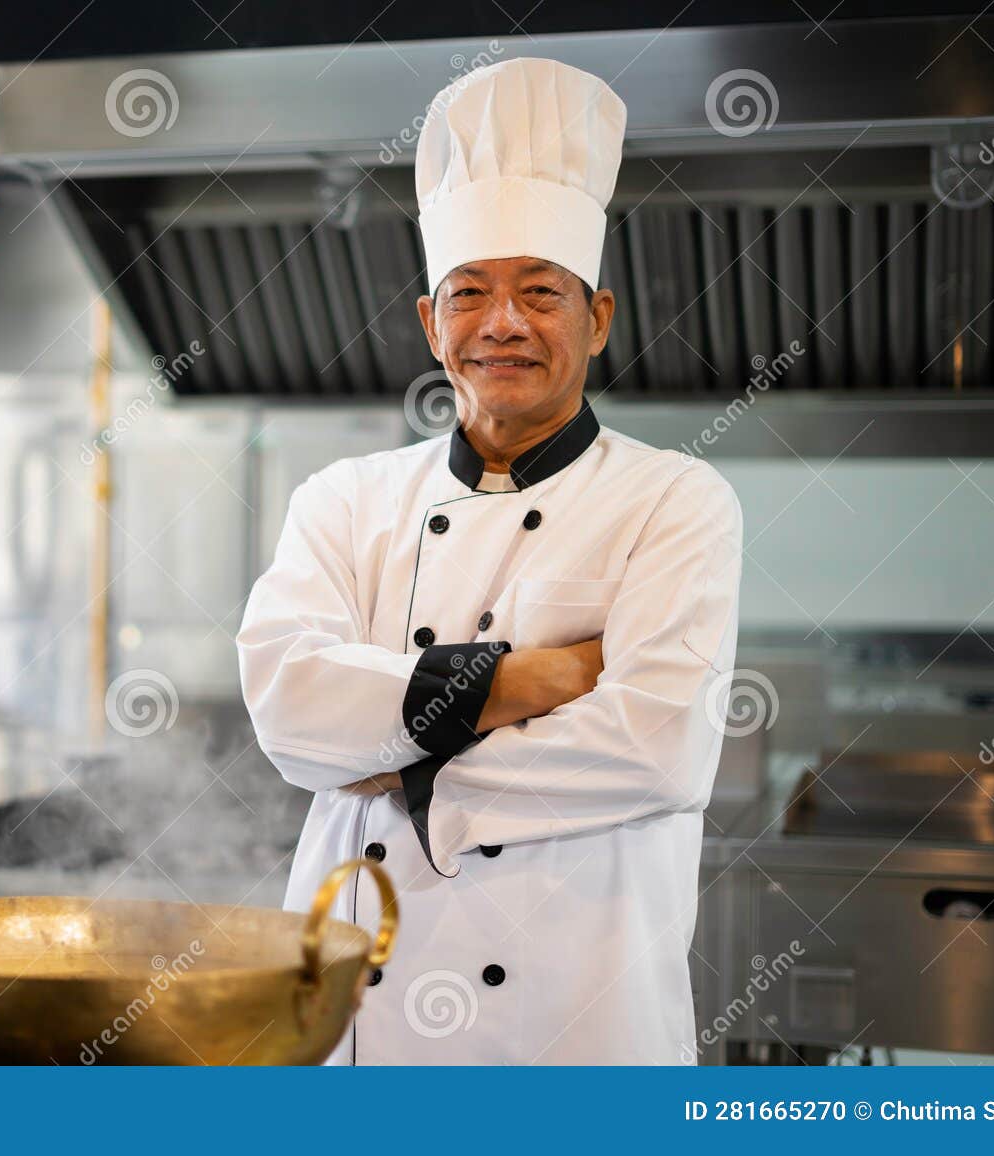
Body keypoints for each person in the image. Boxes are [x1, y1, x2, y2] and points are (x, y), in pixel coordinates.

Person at [236, 56, 744, 1064]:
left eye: (539, 292)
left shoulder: (674, 501)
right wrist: (527, 679)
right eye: (468, 291)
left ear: (596, 318)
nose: (501, 321)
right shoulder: (344, 500)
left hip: (572, 1027)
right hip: (353, 1022)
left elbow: (655, 746)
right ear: (432, 323)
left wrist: (403, 762)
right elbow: (289, 713)